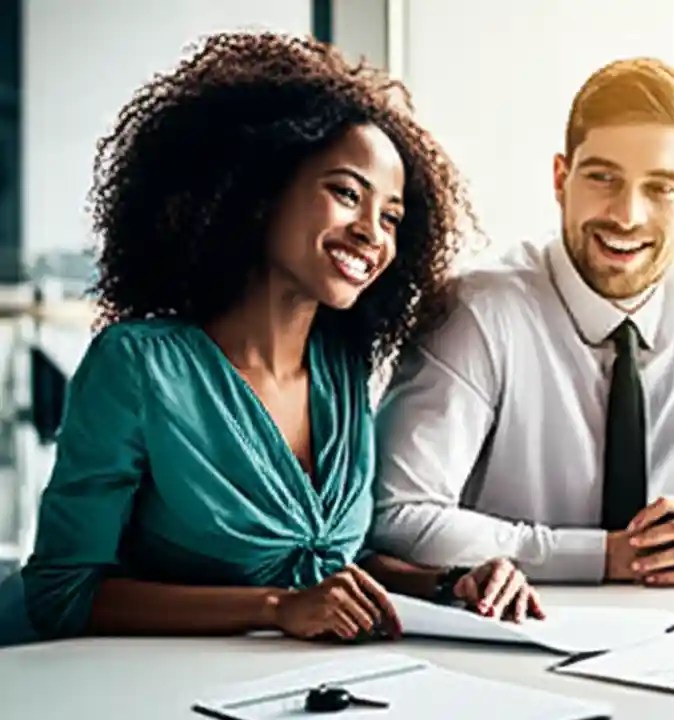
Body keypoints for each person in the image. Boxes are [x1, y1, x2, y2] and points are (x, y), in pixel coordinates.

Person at [0, 32, 540, 648]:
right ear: (258, 192)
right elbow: (62, 592)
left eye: (391, 217)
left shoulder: (341, 369)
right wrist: (275, 608)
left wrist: (450, 582)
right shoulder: (138, 367)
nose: (372, 233)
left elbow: (335, 567)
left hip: (313, 688)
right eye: (346, 193)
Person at [371, 58, 674, 585]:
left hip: (663, 628)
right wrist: (601, 556)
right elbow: (397, 516)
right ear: (560, 179)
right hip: (499, 631)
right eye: (602, 178)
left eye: (661, 187)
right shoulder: (479, 312)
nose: (626, 215)